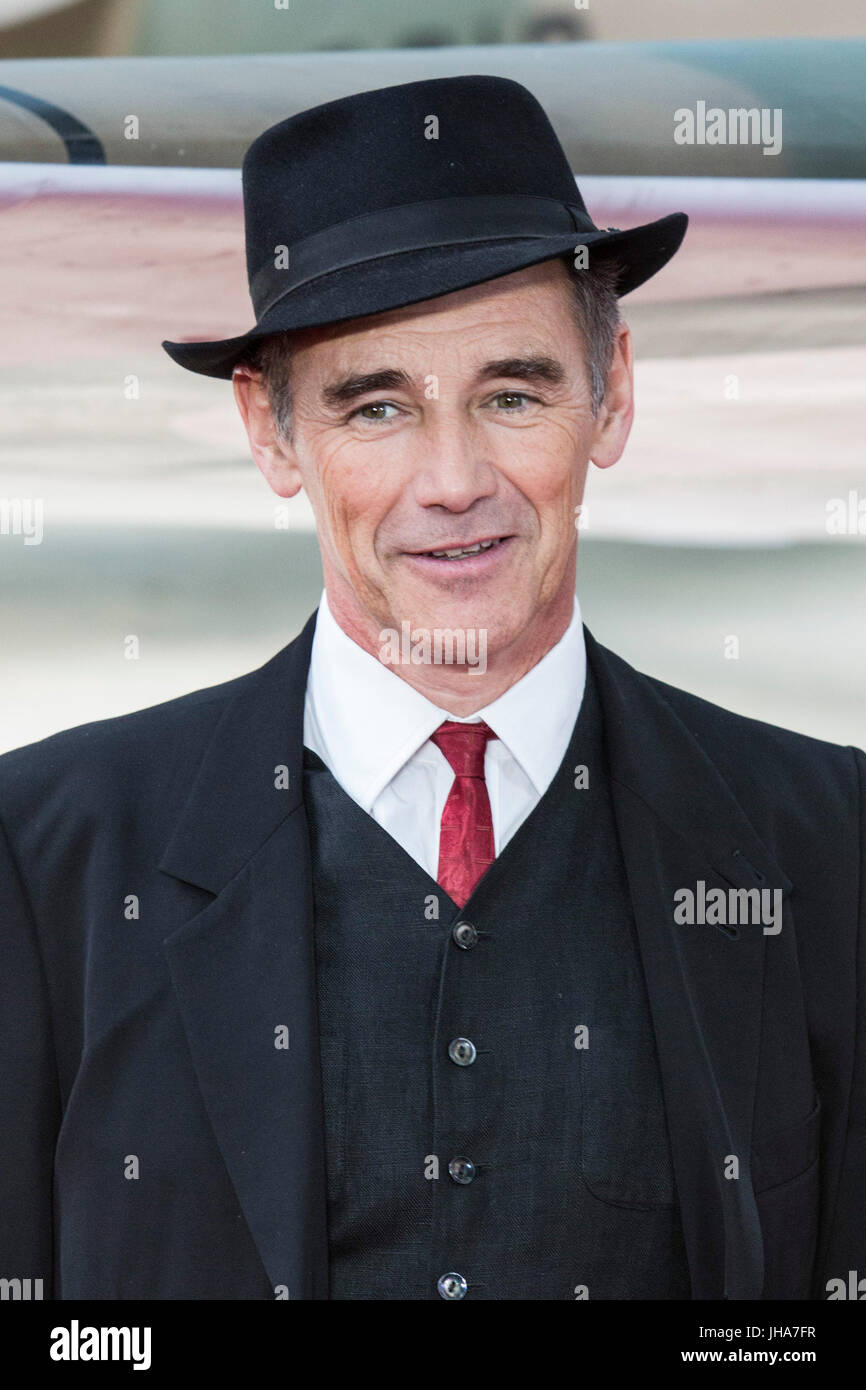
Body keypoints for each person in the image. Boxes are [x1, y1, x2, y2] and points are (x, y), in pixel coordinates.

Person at [0, 75, 862, 1301]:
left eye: (511, 394)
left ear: (610, 393)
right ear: (272, 433)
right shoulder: (44, 856)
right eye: (376, 407)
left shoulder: (829, 846)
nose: (453, 480)